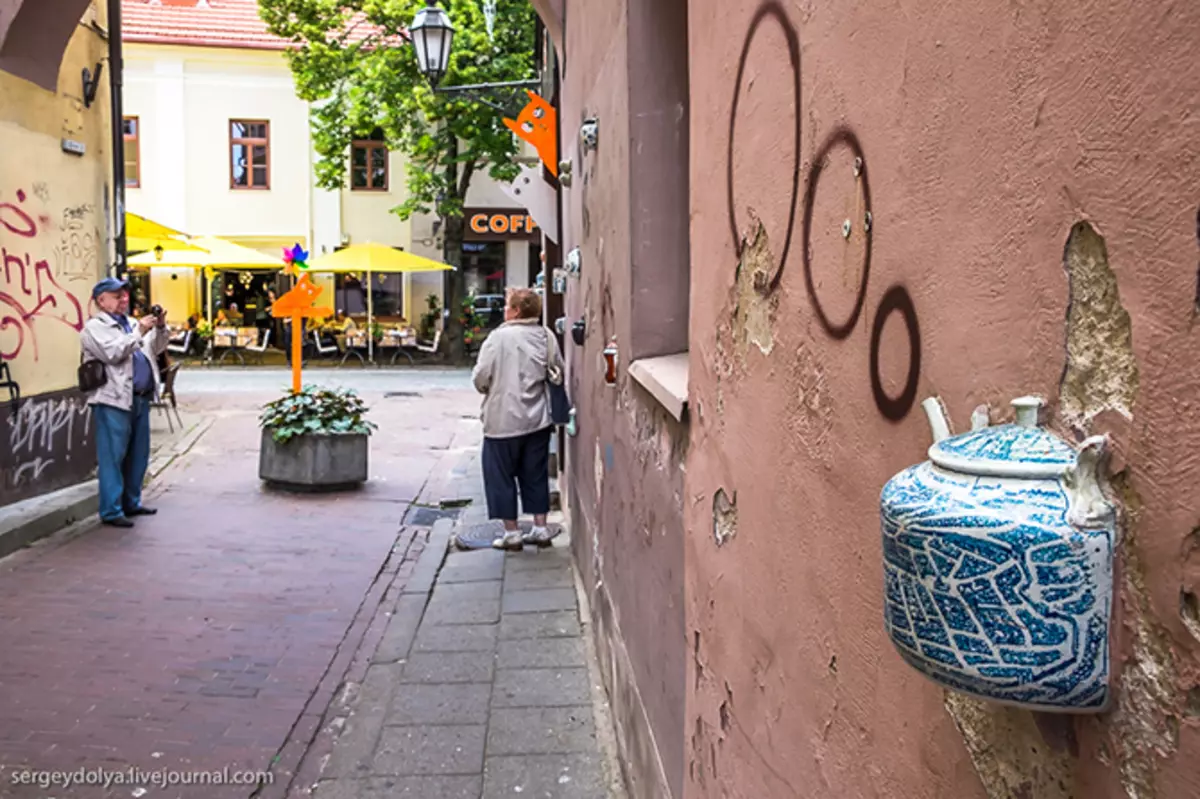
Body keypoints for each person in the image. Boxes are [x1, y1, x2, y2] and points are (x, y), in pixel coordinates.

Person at [471, 288, 564, 550]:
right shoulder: (546, 336)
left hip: (502, 421)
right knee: (535, 474)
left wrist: (489, 388)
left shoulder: (497, 338)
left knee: (500, 475)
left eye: (507, 306)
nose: (504, 310)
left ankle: (512, 533)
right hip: (537, 419)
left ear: (516, 311)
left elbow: (481, 377)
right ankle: (540, 528)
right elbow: (558, 370)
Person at [80, 277, 169, 528]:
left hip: (139, 397)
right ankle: (111, 510)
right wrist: (138, 332)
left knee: (138, 455)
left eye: (125, 295)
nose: (124, 299)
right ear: (102, 300)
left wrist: (160, 328)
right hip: (112, 399)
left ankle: (132, 502)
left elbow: (156, 348)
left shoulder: (130, 323)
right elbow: (113, 353)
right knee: (113, 456)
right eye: (117, 296)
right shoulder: (94, 328)